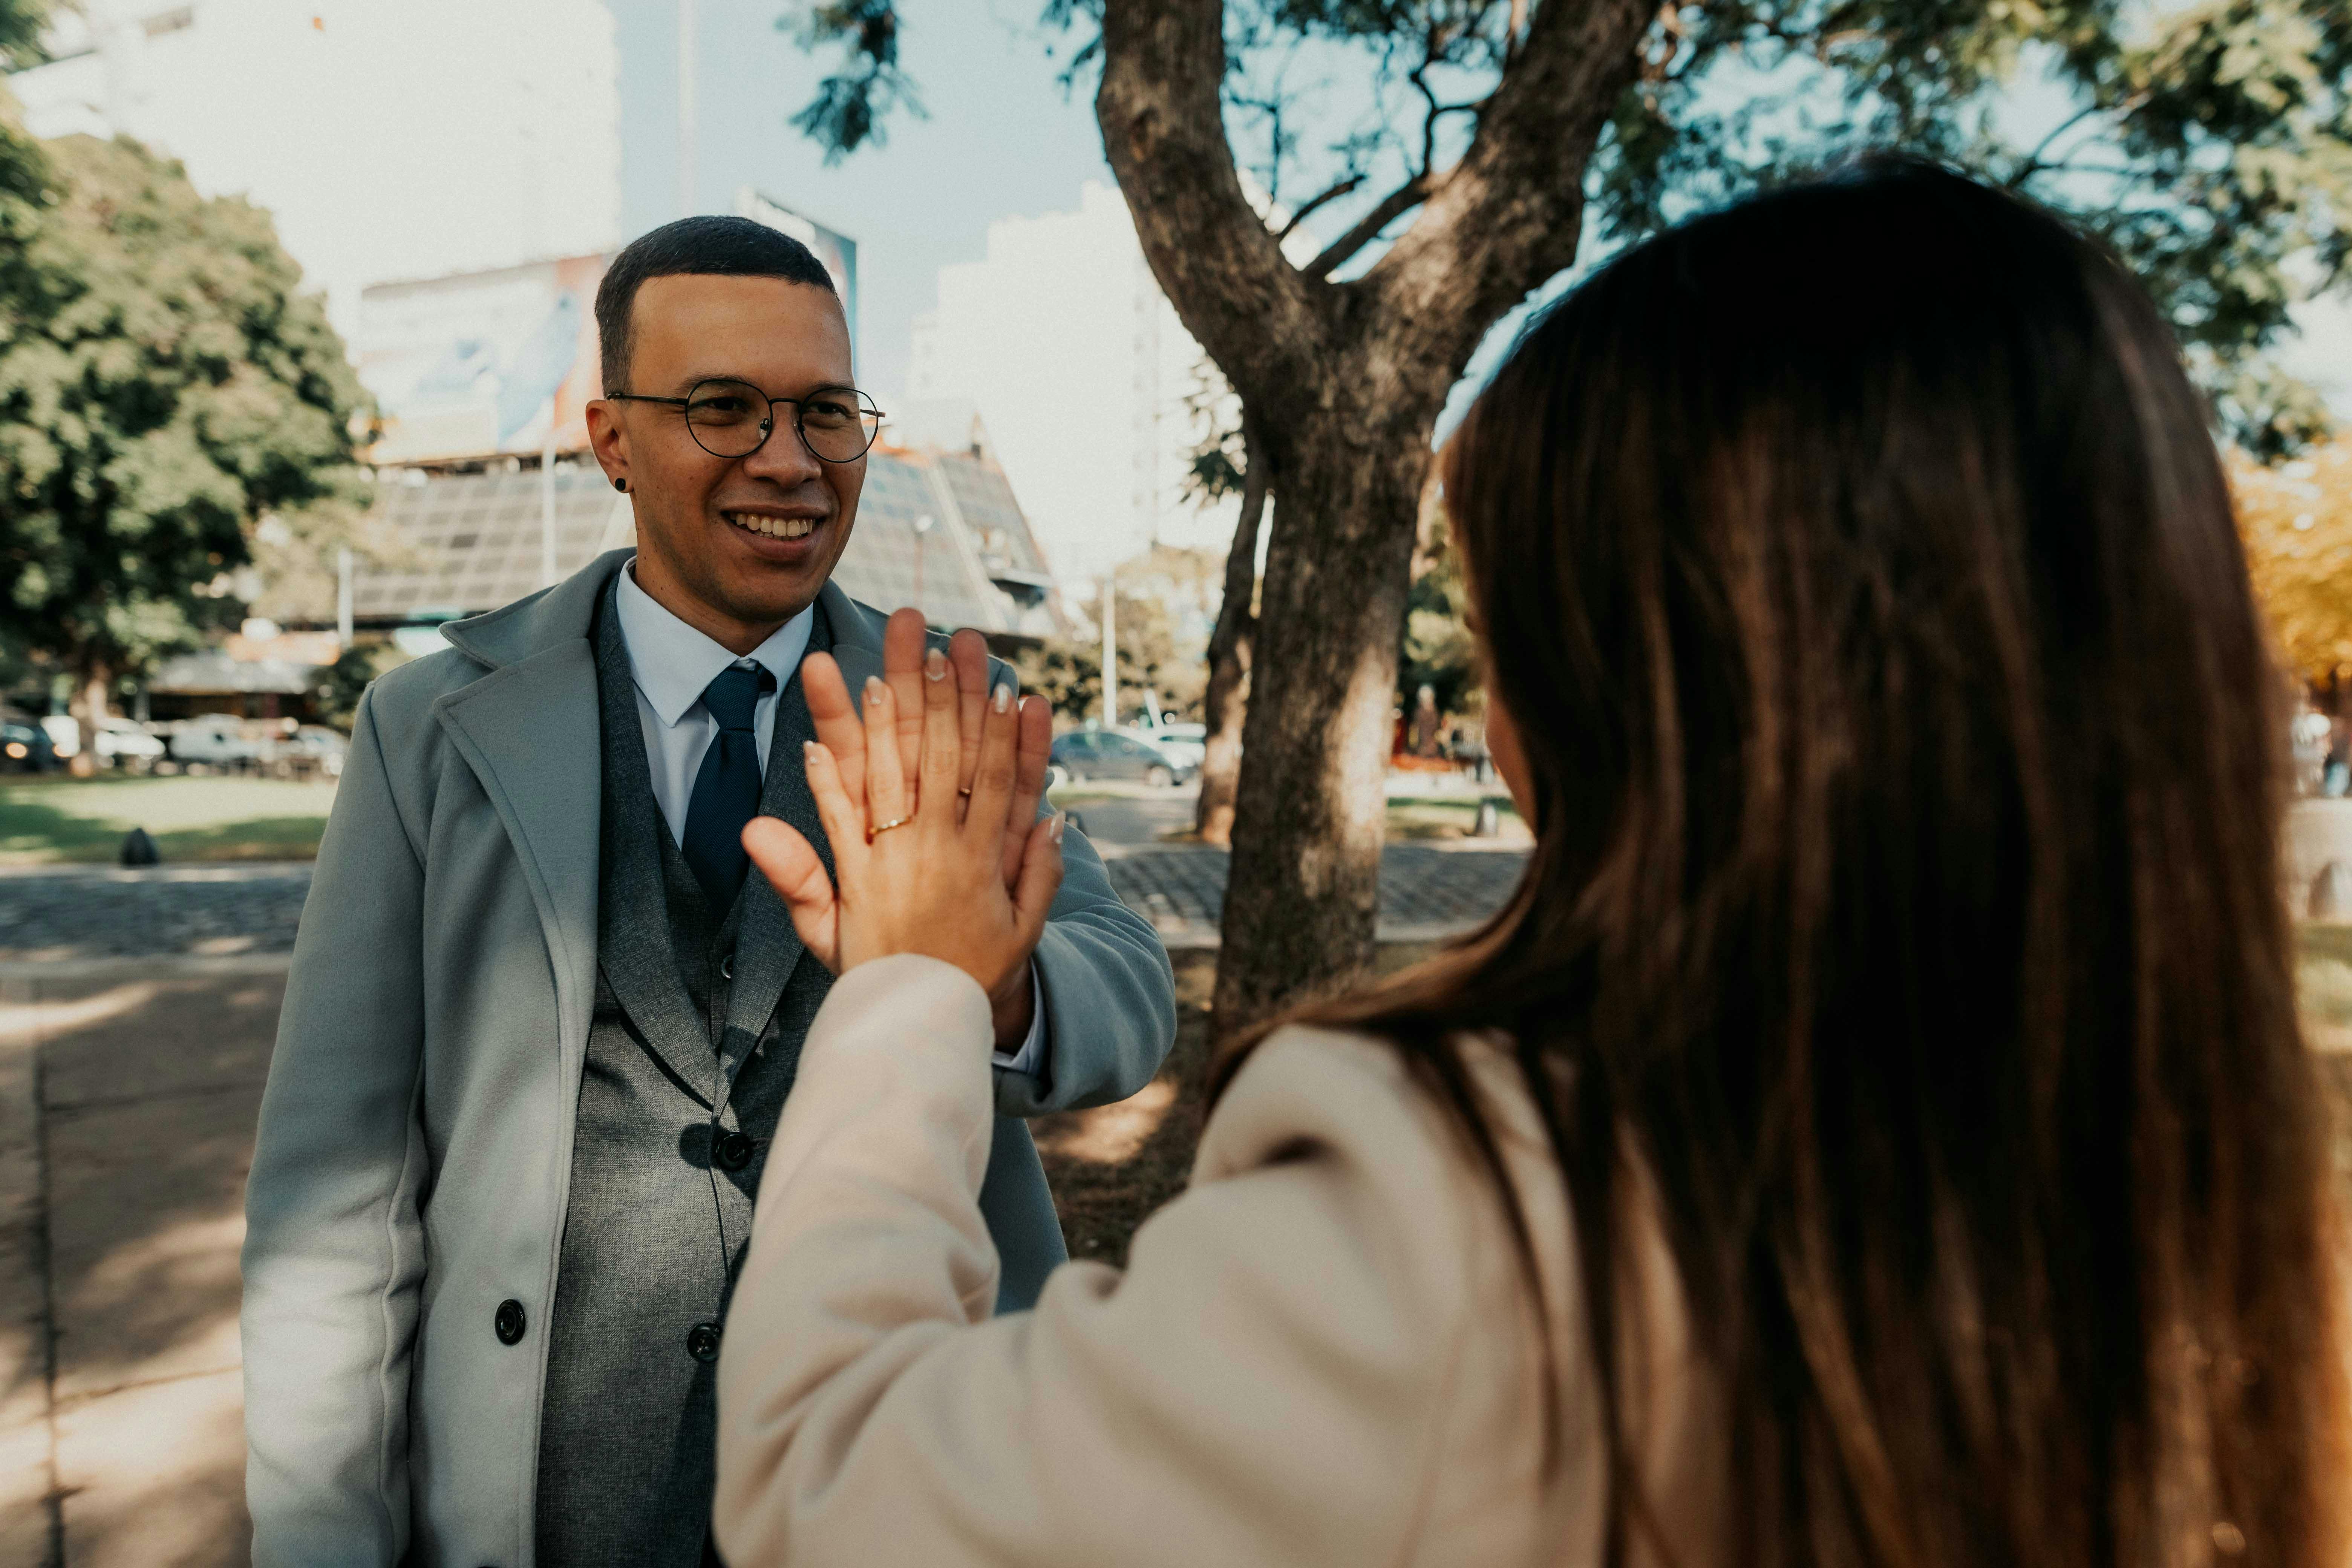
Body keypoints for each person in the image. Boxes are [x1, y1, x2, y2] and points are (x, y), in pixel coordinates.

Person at [709, 163, 2349, 1567]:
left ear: (1640, 675)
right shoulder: (2231, 1230)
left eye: (1510, 637)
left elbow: (831, 1490)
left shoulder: (1461, 1198)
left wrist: (917, 985)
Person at [239, 216, 1177, 1568]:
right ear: (611, 437)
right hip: (545, 1504)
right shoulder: (428, 732)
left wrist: (985, 974)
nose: (788, 461)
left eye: (823, 412)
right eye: (723, 409)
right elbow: (335, 1203)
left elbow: (1129, 996)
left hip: (902, 1487)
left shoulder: (958, 707)